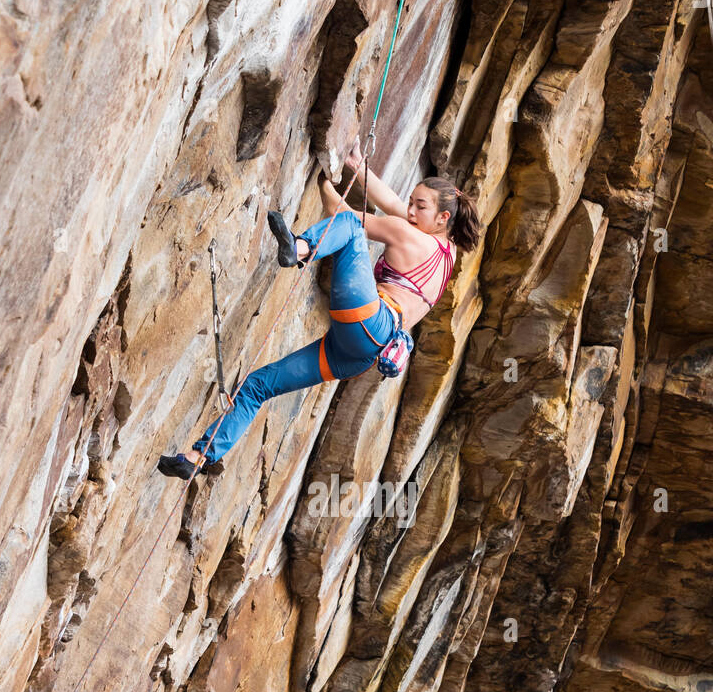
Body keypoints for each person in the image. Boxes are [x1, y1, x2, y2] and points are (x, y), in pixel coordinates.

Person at [156, 139, 482, 479]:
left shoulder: (408, 234)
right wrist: (356, 163)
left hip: (370, 321)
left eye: (420, 207)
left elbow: (341, 217)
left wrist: (324, 180)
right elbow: (396, 205)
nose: (411, 212)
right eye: (412, 204)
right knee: (259, 385)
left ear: (443, 217)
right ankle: (197, 457)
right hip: (357, 354)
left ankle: (299, 248)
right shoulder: (448, 252)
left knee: (354, 227)